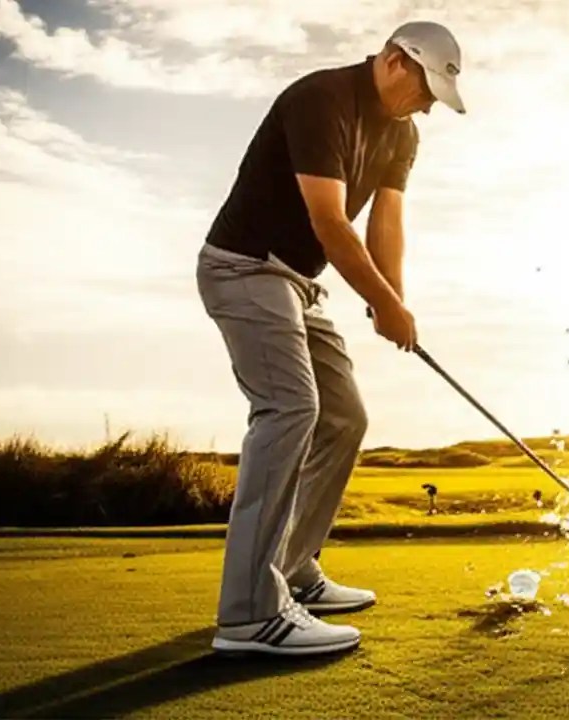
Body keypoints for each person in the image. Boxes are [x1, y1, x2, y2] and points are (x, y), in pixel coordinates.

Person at [194, 20, 466, 656]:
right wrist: (379, 302)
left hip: (295, 283)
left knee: (344, 417)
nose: (428, 104)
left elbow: (386, 224)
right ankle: (249, 615)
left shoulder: (404, 133)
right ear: (398, 61)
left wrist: (392, 301)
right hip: (242, 268)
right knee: (290, 409)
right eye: (425, 88)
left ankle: (290, 570)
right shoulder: (321, 100)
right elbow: (329, 220)